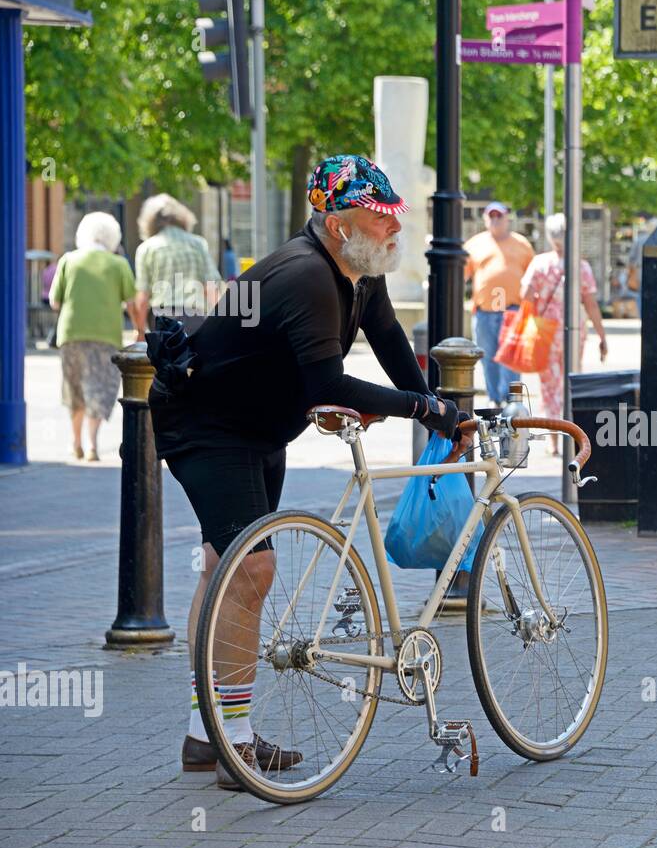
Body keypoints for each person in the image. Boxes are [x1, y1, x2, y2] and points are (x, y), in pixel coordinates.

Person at [149, 154, 461, 791]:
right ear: (338, 222)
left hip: (257, 428)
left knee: (223, 567)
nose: (392, 231)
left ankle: (205, 735)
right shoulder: (306, 277)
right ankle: (235, 745)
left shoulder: (355, 273)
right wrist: (420, 407)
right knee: (251, 568)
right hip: (208, 426)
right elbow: (326, 382)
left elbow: (393, 347)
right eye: (380, 220)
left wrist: (438, 411)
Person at [49, 212, 142, 461]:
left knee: (74, 388)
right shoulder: (118, 264)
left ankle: (75, 441)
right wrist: (138, 329)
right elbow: (132, 303)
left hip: (71, 332)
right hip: (106, 334)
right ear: (113, 237)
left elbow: (55, 301)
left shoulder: (68, 260)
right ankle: (92, 444)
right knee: (100, 388)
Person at [519, 213, 608, 454]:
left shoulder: (539, 263)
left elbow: (525, 295)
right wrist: (602, 335)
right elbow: (590, 303)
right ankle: (571, 432)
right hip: (573, 331)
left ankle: (553, 440)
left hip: (544, 331)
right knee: (570, 381)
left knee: (549, 385)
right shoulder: (581, 266)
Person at [464, 201, 535, 405]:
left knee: (511, 358)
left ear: (507, 219)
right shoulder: (474, 244)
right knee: (488, 357)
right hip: (485, 311)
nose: (495, 220)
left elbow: (533, 277)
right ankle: (494, 399)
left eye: (499, 216)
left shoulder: (521, 244)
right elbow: (462, 274)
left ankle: (512, 401)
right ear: (486, 219)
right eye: (491, 216)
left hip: (513, 309)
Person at [133, 194, 223, 337]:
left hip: (161, 318)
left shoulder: (147, 248)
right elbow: (210, 287)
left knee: (165, 359)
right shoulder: (198, 244)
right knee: (193, 358)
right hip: (195, 316)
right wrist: (221, 321)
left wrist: (140, 331)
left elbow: (143, 296)